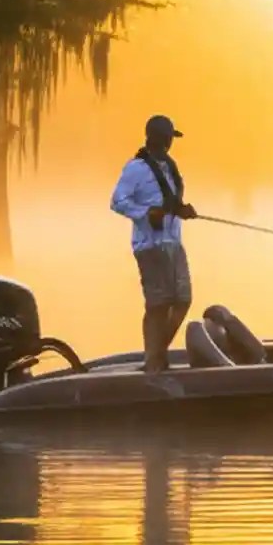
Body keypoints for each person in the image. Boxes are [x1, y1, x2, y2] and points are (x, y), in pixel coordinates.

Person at [111, 114, 198, 373]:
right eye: (169, 138)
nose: (171, 143)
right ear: (159, 139)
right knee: (158, 305)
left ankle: (155, 355)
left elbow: (170, 202)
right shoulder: (136, 168)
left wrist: (183, 210)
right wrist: (146, 213)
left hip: (173, 242)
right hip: (149, 245)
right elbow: (117, 201)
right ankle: (154, 361)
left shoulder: (170, 167)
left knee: (183, 299)